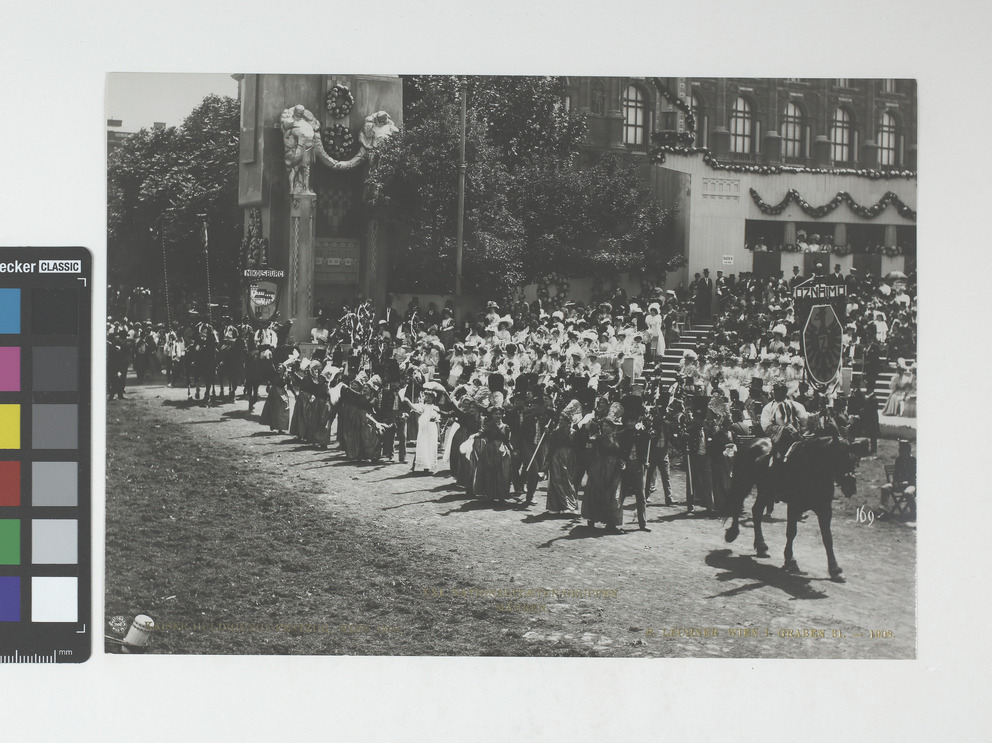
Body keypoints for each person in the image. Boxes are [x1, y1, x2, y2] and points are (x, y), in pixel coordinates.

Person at [581, 401, 625, 532]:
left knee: (612, 493)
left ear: (612, 427)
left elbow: (621, 451)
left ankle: (611, 523)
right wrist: (586, 429)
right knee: (596, 491)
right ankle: (591, 519)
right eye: (604, 425)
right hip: (600, 467)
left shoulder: (617, 438)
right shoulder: (599, 438)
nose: (604, 428)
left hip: (614, 468)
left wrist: (621, 462)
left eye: (607, 426)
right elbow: (589, 440)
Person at [403, 387, 442, 473]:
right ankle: (419, 465)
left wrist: (439, 434)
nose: (427, 399)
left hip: (432, 428)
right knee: (422, 445)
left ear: (433, 398)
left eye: (429, 397)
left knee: (431, 446)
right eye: (426, 397)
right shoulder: (423, 406)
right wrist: (408, 401)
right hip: (424, 429)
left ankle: (428, 466)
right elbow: (414, 407)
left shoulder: (436, 408)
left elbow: (437, 421)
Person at [881, 439, 916, 516]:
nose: (901, 452)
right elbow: (896, 474)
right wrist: (895, 482)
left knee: (908, 493)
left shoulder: (913, 461)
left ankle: (914, 512)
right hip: (899, 484)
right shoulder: (899, 460)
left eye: (904, 450)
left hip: (911, 484)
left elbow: (913, 476)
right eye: (901, 450)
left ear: (908, 451)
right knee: (884, 488)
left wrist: (906, 482)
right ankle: (884, 510)